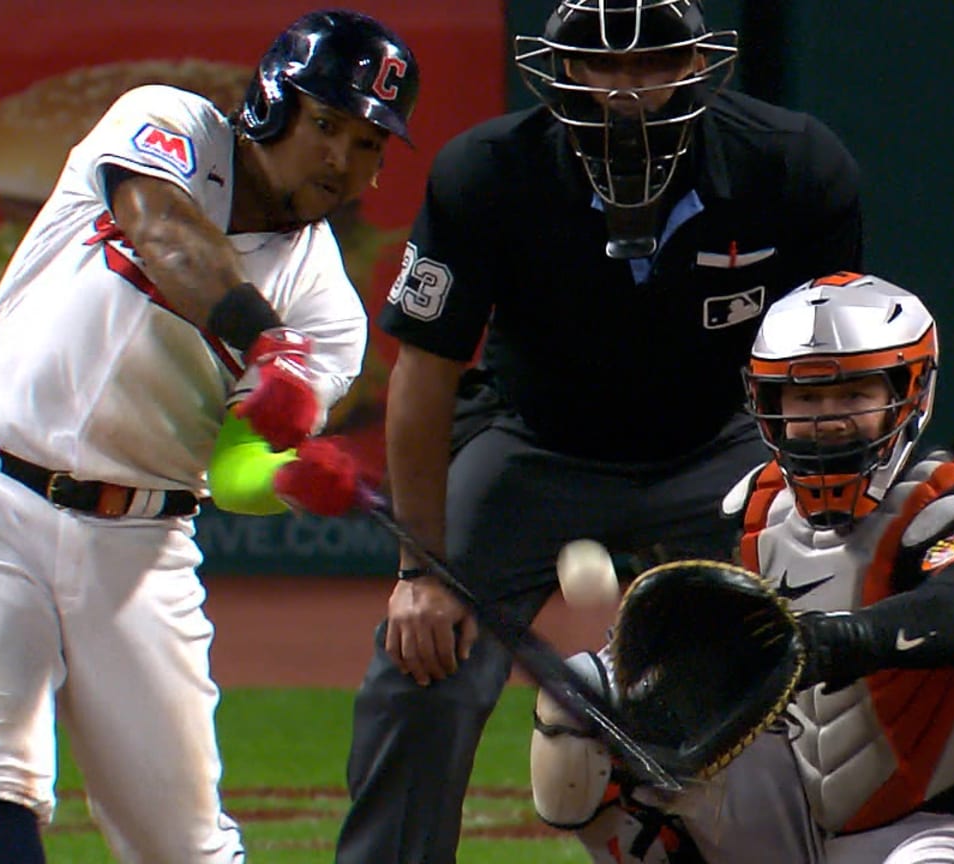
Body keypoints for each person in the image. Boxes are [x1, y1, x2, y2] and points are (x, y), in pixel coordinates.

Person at [333, 1, 864, 861]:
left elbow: (838, 362)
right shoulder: (488, 171)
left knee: (808, 654)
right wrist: (420, 573)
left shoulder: (794, 167)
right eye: (603, 64)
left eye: (652, 62)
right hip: (529, 448)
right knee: (419, 661)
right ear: (563, 69)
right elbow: (425, 370)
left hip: (719, 449)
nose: (627, 89)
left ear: (698, 61)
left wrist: (816, 522)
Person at [0, 10, 418, 863]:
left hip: (138, 549)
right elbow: (162, 226)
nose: (340, 160)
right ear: (273, 104)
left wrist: (285, 477)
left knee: (184, 848)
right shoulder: (169, 120)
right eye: (326, 124)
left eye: (367, 144)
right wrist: (263, 341)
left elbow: (235, 465)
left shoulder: (329, 309)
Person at [530, 271, 954, 863]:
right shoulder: (750, 517)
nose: (828, 419)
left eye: (854, 395)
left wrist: (831, 639)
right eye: (807, 399)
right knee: (587, 716)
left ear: (911, 392)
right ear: (771, 405)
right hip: (816, 829)